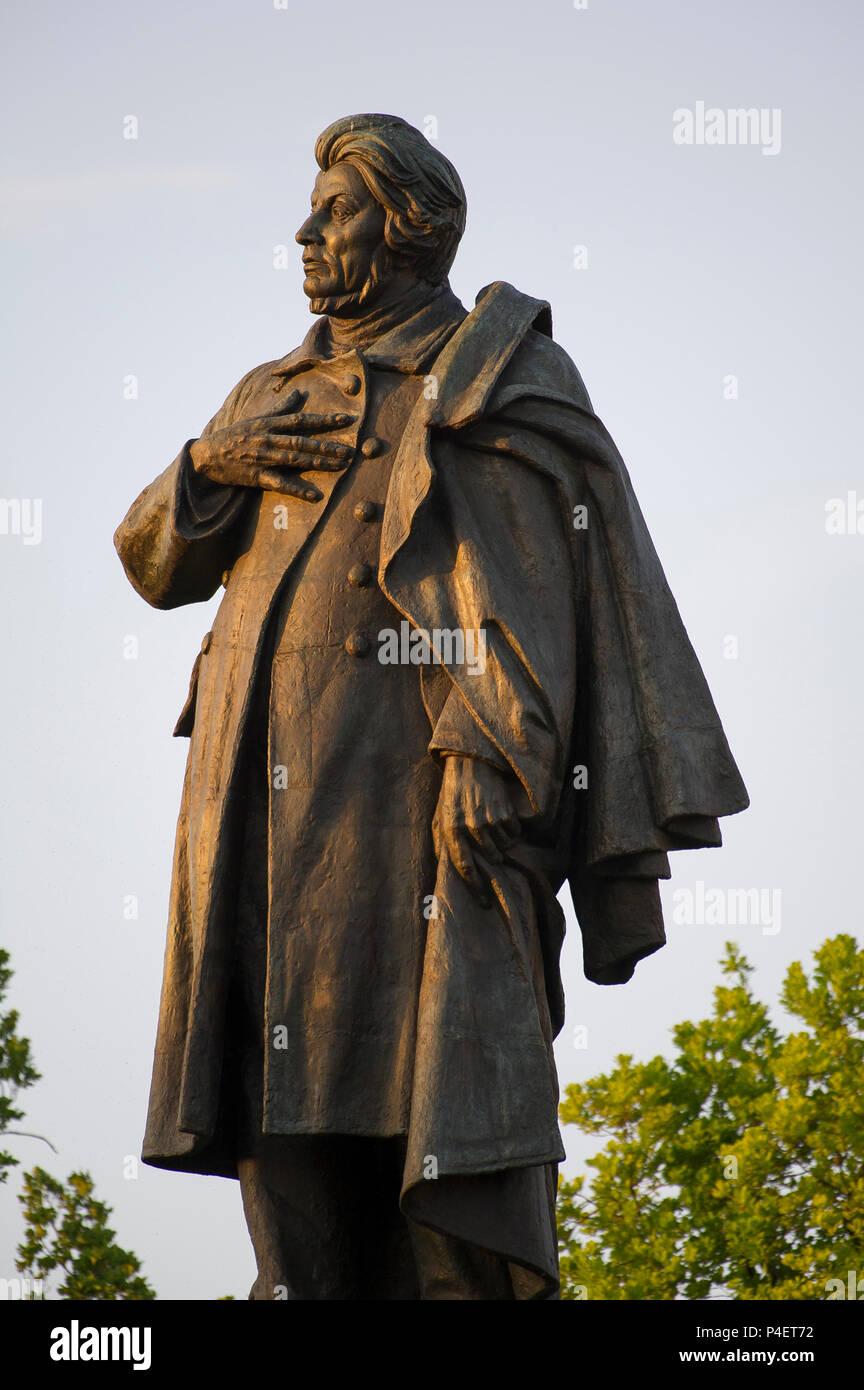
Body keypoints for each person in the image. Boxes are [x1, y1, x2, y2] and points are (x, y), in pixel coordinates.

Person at [115, 113, 748, 1300]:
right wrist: (210, 460)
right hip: (257, 821)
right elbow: (152, 563)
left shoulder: (493, 376)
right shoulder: (270, 392)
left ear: (407, 229)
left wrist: (494, 749)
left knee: (439, 1151)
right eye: (309, 211)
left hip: (419, 815)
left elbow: (533, 596)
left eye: (337, 209)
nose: (306, 233)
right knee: (283, 1137)